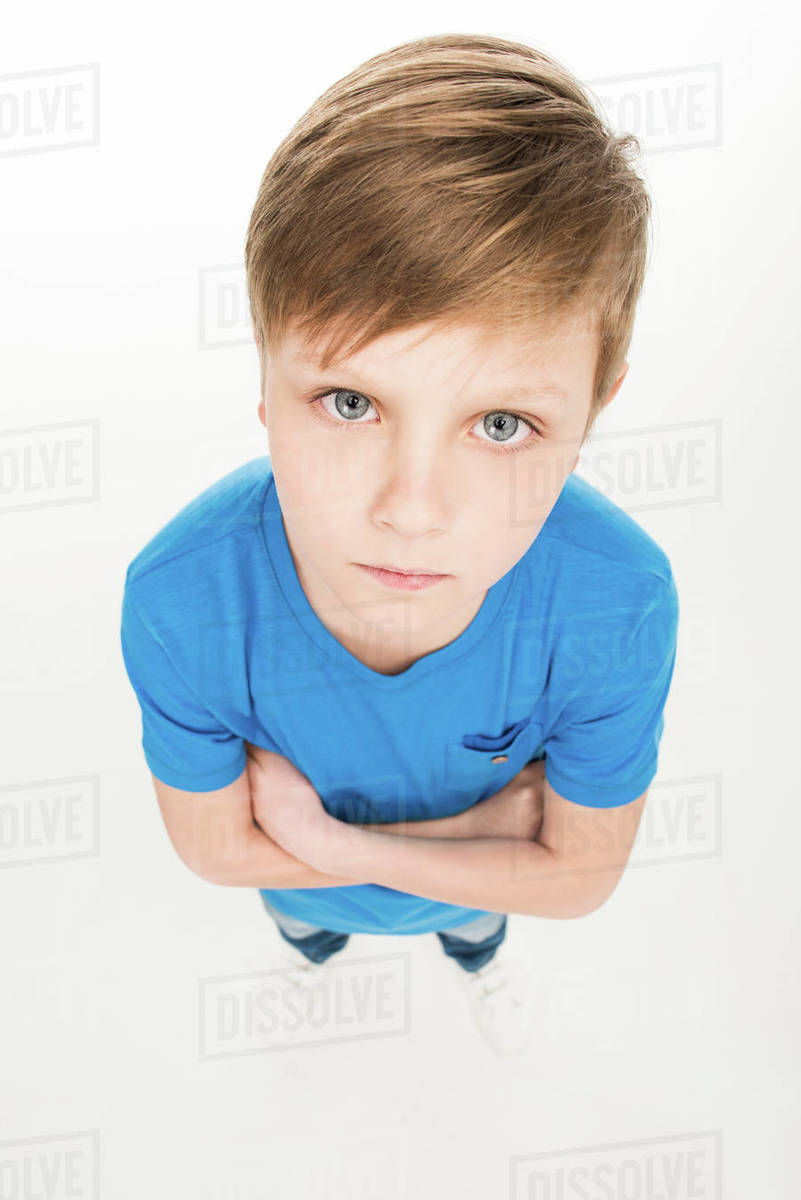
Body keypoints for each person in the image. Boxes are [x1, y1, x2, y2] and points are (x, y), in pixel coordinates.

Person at [119, 33, 679, 1056]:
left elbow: (582, 881)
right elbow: (212, 857)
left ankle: (474, 961)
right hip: (320, 887)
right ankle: (315, 957)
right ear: (261, 369)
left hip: (346, 865)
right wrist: (501, 839)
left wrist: (317, 837)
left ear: (596, 408)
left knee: (473, 931)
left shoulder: (618, 603)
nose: (413, 510)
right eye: (349, 401)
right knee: (307, 927)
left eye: (502, 424)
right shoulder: (180, 601)